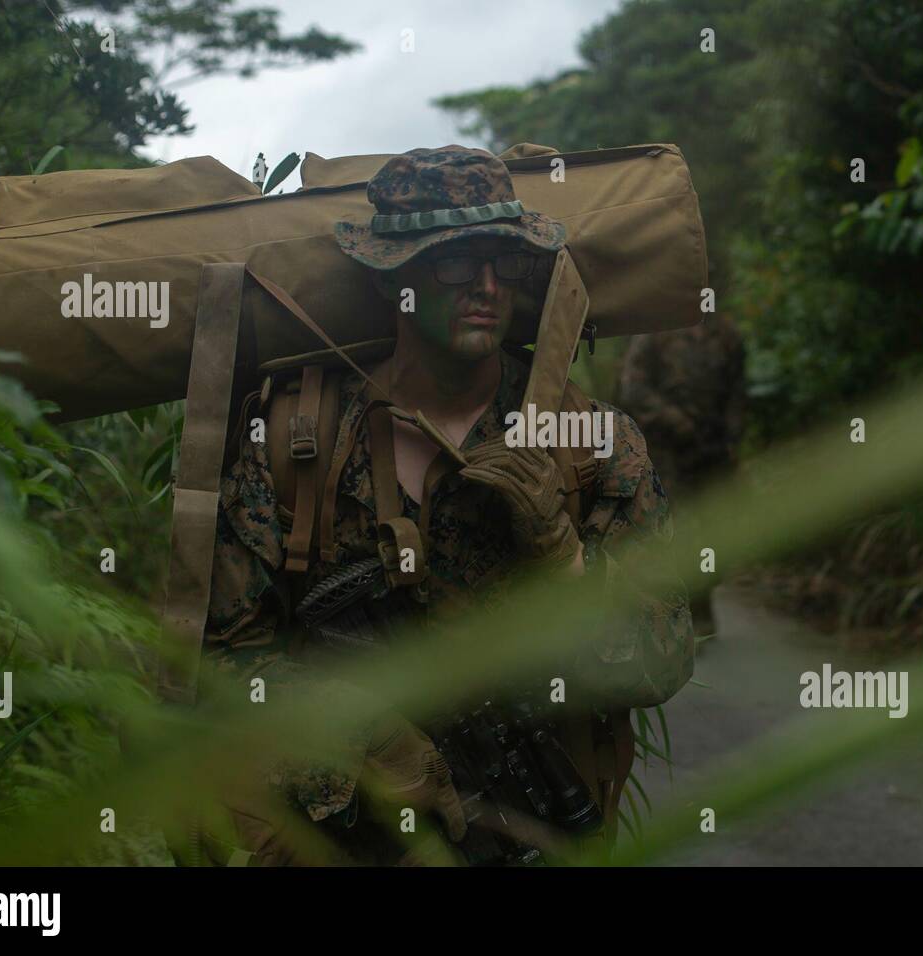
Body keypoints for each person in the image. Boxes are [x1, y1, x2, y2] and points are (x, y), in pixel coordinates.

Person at [197, 145, 694, 865]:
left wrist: (563, 557)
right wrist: (364, 735)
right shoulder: (297, 447)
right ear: (393, 274)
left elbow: (663, 665)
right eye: (454, 262)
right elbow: (223, 666)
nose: (486, 286)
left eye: (503, 261)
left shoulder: (590, 444)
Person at [617, 315, 746, 631]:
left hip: (712, 452)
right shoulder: (656, 331)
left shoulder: (727, 334)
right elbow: (633, 388)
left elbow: (737, 391)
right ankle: (674, 609)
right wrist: (673, 419)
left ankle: (701, 602)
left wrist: (732, 433)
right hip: (667, 453)